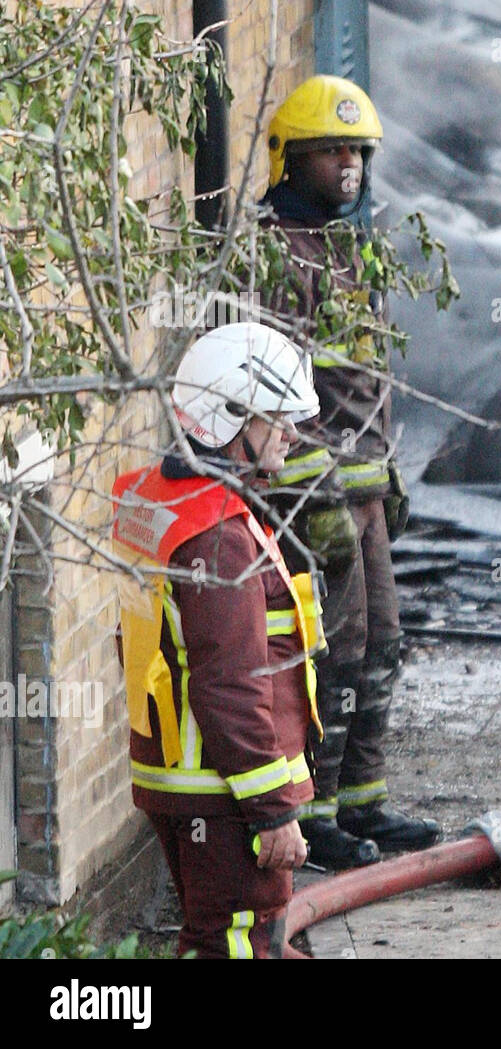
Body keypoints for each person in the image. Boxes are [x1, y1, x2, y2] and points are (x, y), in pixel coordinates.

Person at [257, 74, 440, 869]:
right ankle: (318, 809)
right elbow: (267, 391)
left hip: (365, 489)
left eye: (358, 151)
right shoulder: (269, 254)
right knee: (336, 646)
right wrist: (311, 490)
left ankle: (364, 796)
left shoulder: (357, 249)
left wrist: (389, 476)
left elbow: (371, 382)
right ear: (292, 160)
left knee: (385, 642)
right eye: (331, 151)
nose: (350, 165)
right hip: (311, 499)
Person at [113, 323, 323, 958]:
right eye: (276, 417)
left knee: (219, 937)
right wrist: (273, 812)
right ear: (230, 417)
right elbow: (229, 685)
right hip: (226, 788)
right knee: (234, 945)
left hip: (181, 774)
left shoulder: (164, 501)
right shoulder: (219, 539)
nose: (291, 432)